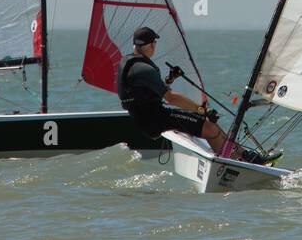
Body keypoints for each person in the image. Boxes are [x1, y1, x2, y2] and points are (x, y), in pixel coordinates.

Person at [117, 27, 275, 164]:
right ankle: (231, 161)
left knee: (206, 121)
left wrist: (169, 79)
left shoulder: (128, 63)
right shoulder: (144, 69)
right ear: (150, 45)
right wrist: (201, 109)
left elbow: (147, 91)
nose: (155, 47)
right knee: (210, 127)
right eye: (155, 43)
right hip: (156, 120)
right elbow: (171, 98)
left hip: (145, 119)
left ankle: (241, 154)